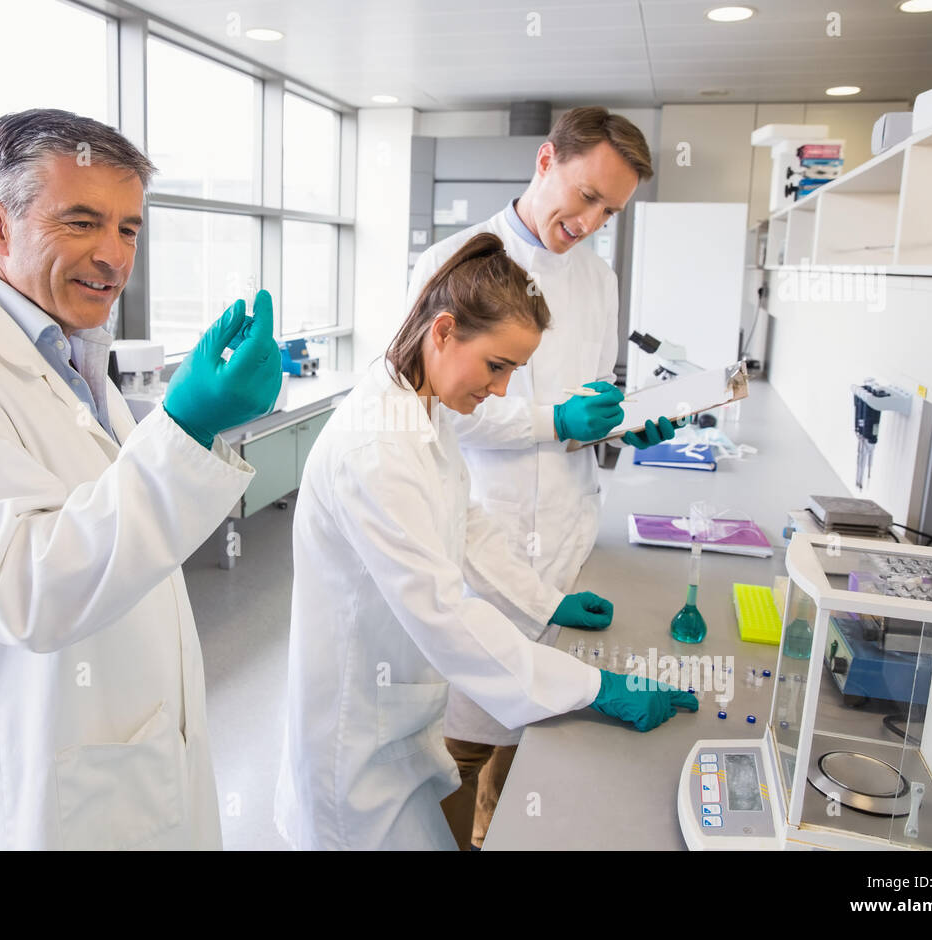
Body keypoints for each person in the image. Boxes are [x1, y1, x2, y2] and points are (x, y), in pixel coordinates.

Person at [0, 109, 282, 849]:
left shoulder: (76, 360)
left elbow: (114, 529)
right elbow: (30, 591)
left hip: (129, 757)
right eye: (82, 222)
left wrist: (190, 428)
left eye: (128, 229)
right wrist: (183, 431)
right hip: (32, 797)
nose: (113, 255)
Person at [273, 233, 695, 851]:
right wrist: (593, 687)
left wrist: (543, 600)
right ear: (443, 332)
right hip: (354, 744)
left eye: (513, 373)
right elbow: (443, 614)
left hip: (399, 721)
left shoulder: (419, 403)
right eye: (498, 366)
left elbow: (463, 520)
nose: (500, 391)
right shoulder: (377, 450)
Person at [405, 106, 685, 850]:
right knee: (461, 735)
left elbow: (593, 395)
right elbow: (438, 410)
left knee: (541, 740)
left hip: (565, 533)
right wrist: (555, 422)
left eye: (611, 210)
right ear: (545, 160)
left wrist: (623, 425)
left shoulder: (599, 279)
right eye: (586, 195)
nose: (592, 220)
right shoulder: (452, 260)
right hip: (477, 530)